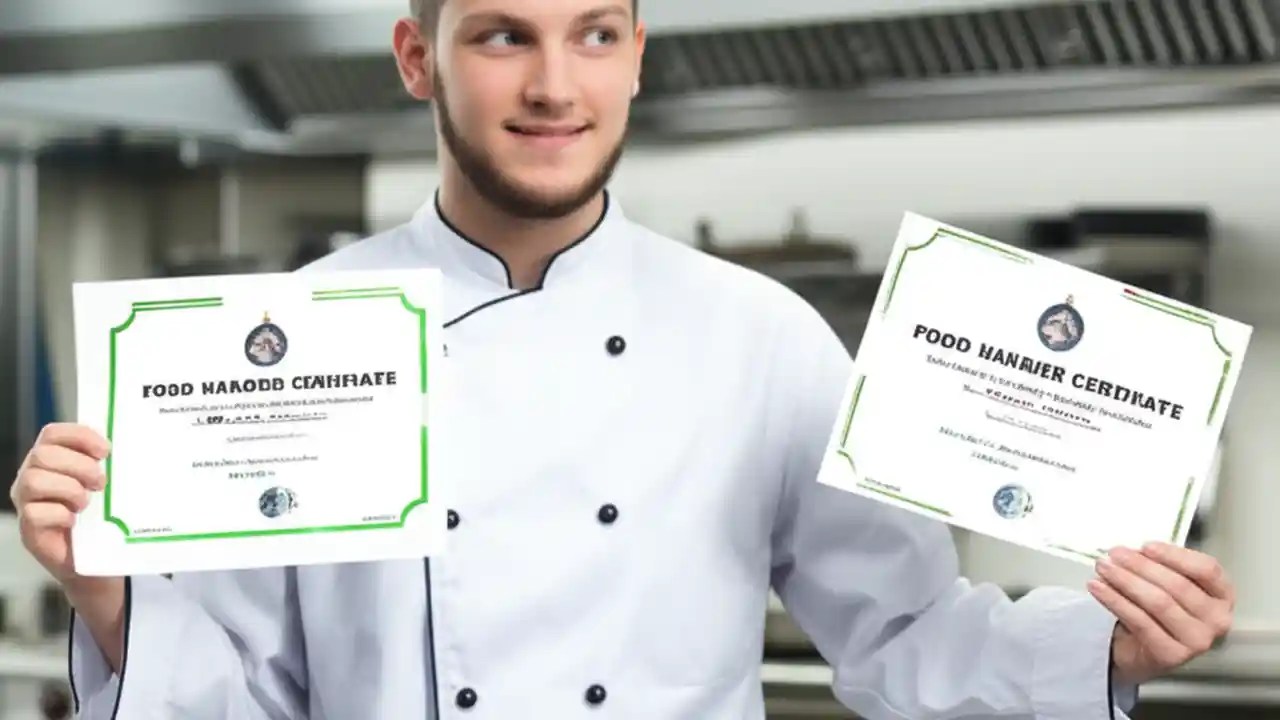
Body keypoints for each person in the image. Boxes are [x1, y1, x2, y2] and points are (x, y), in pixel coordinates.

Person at [10, 1, 1237, 718]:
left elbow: (907, 634)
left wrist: (1103, 648)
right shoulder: (287, 338)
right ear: (413, 56)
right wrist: (113, 597)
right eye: (501, 35)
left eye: (594, 33)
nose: (555, 87)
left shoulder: (757, 336)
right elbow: (247, 699)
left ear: (639, 55)